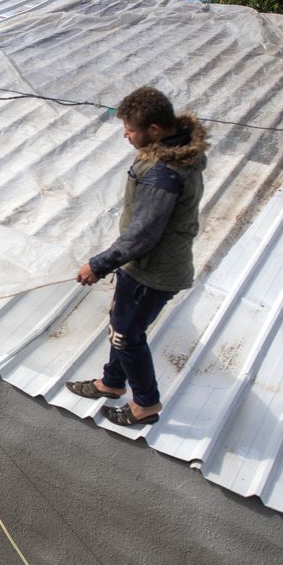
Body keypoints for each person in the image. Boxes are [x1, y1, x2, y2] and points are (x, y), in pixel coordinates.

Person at [65, 87, 208, 427]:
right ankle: (112, 382)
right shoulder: (170, 152)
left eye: (130, 129)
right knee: (122, 326)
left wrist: (98, 265)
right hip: (143, 267)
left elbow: (143, 235)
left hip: (151, 272)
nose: (126, 136)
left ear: (155, 130)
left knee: (127, 337)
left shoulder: (164, 173)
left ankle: (145, 404)